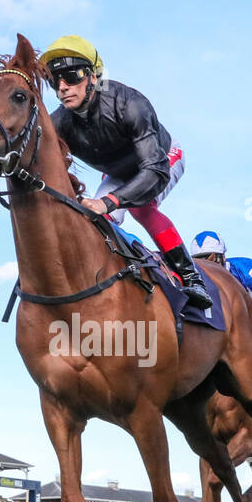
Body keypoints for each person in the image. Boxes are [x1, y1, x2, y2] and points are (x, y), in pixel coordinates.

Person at [38, 35, 212, 309]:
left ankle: (192, 278)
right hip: (118, 171)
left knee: (140, 208)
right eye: (54, 80)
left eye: (71, 76)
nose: (62, 88)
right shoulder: (58, 121)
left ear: (93, 77)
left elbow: (154, 172)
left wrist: (108, 201)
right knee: (89, 219)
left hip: (161, 159)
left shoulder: (130, 102)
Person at [190, 230, 252, 325]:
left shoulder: (247, 271)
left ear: (223, 257)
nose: (207, 266)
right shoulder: (196, 275)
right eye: (200, 261)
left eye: (210, 259)